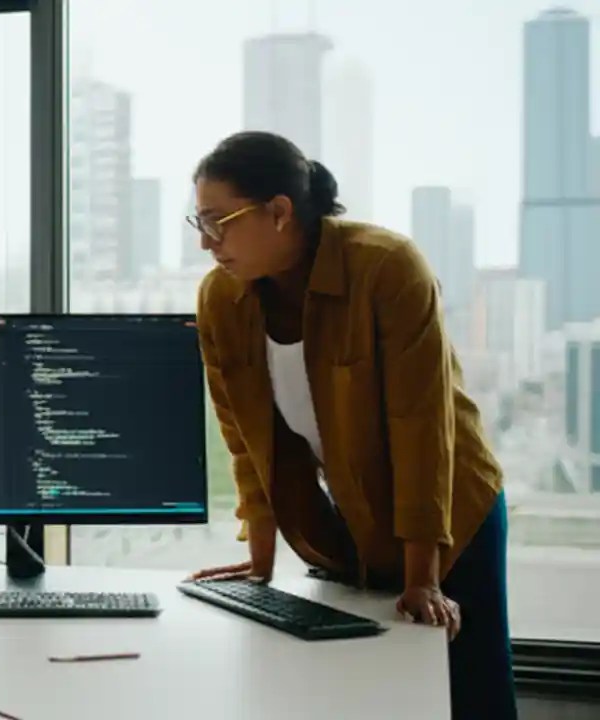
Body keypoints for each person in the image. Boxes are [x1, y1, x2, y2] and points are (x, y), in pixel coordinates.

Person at [186, 131, 515, 720]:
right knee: (369, 690)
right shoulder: (220, 299)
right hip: (352, 516)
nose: (207, 242)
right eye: (199, 222)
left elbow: (422, 426)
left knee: (468, 695)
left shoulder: (385, 267)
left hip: (451, 510)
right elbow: (245, 439)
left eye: (220, 221)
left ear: (280, 212)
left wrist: (424, 578)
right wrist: (261, 554)